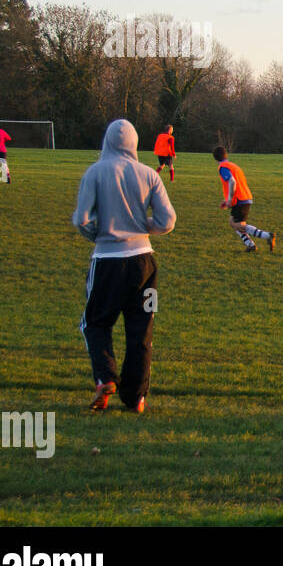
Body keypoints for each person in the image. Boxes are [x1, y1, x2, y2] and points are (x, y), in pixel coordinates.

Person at [72, 119, 176, 413]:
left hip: (107, 261)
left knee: (94, 322)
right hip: (145, 263)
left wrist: (100, 235)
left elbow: (81, 219)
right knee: (142, 329)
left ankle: (105, 378)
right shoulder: (148, 175)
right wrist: (144, 227)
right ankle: (137, 397)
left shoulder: (94, 172)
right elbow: (168, 220)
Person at [214, 147, 275, 252]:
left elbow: (232, 182)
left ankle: (267, 235)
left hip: (239, 199)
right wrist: (227, 200)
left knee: (236, 224)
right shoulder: (233, 165)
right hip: (245, 196)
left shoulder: (223, 167)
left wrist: (229, 199)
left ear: (215, 158)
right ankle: (250, 245)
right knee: (233, 221)